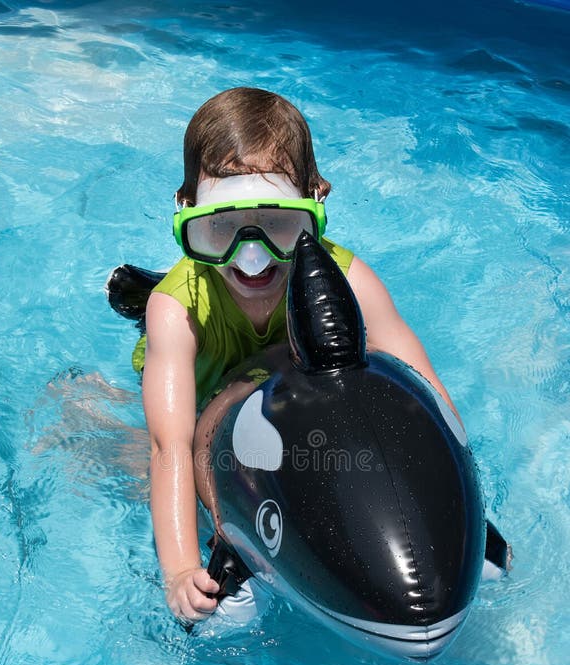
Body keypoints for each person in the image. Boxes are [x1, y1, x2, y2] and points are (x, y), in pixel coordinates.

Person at [138, 86, 460, 627]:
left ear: (317, 199)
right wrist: (179, 569)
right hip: (206, 402)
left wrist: (456, 518)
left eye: (279, 224)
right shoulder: (176, 311)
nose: (253, 257)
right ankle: (135, 297)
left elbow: (423, 392)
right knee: (118, 461)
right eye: (221, 229)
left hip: (287, 396)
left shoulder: (350, 279)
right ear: (186, 212)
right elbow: (167, 446)